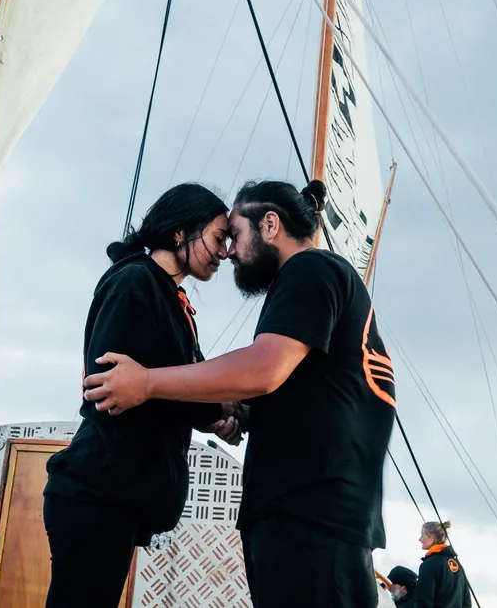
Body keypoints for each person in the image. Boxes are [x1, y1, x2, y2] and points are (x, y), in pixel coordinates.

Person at [83, 178, 397, 608]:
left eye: (234, 234)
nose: (228, 251)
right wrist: (237, 409)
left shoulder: (310, 269)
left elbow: (264, 369)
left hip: (310, 518)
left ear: (269, 224)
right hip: (315, 516)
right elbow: (300, 389)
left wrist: (147, 382)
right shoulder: (317, 281)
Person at [42, 183, 241, 608]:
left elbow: (187, 384)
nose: (225, 251)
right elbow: (113, 385)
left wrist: (216, 414)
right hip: (96, 494)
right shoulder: (135, 281)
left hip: (117, 499)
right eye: (218, 237)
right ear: (179, 232)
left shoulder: (173, 299)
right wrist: (217, 404)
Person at [415, 521, 471, 608]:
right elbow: (466, 601)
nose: (420, 539)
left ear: (431, 538)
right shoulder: (458, 565)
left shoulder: (429, 565)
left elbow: (424, 601)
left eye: (422, 535)